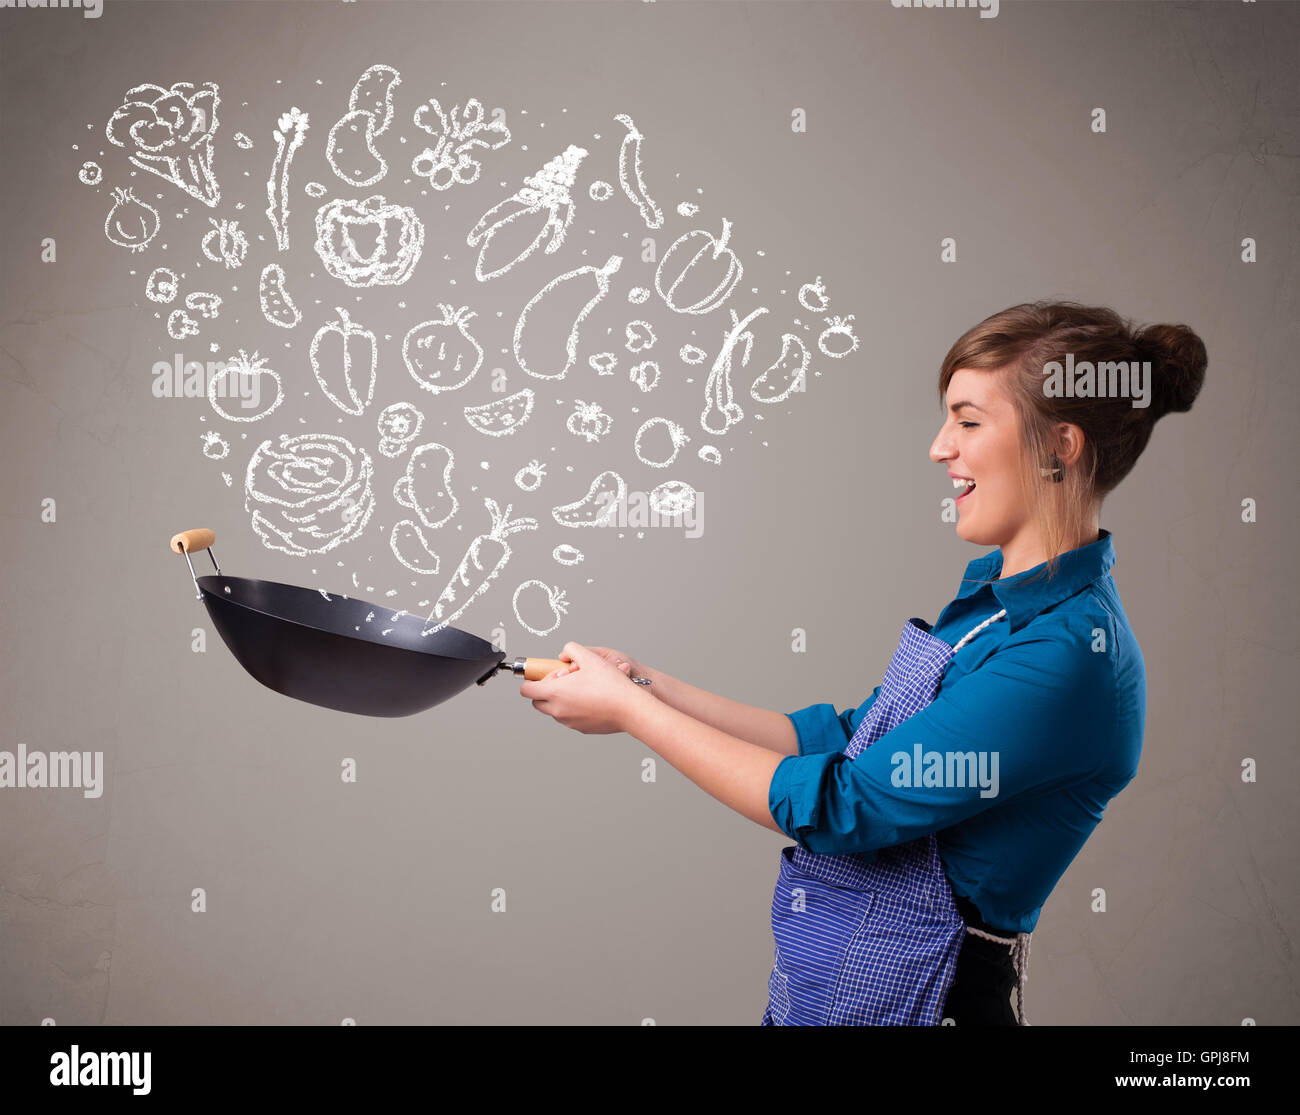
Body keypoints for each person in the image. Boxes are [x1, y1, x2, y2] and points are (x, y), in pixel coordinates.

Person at [520, 300, 1207, 1025]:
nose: (940, 447)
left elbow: (848, 804)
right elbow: (851, 742)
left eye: (969, 421)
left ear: (1059, 447)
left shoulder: (1068, 657)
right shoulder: (993, 606)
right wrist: (645, 684)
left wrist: (631, 713)